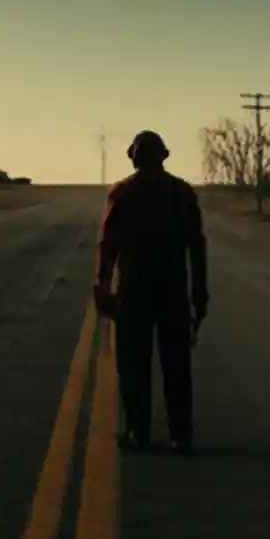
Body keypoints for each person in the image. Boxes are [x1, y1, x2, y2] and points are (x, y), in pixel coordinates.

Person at [94, 130, 209, 455]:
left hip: (134, 289)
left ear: (134, 157)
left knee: (134, 364)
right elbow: (197, 247)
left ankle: (138, 432)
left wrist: (102, 285)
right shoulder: (182, 192)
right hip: (173, 290)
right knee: (176, 365)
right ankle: (180, 435)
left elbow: (108, 245)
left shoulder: (122, 193)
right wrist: (200, 295)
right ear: (163, 156)